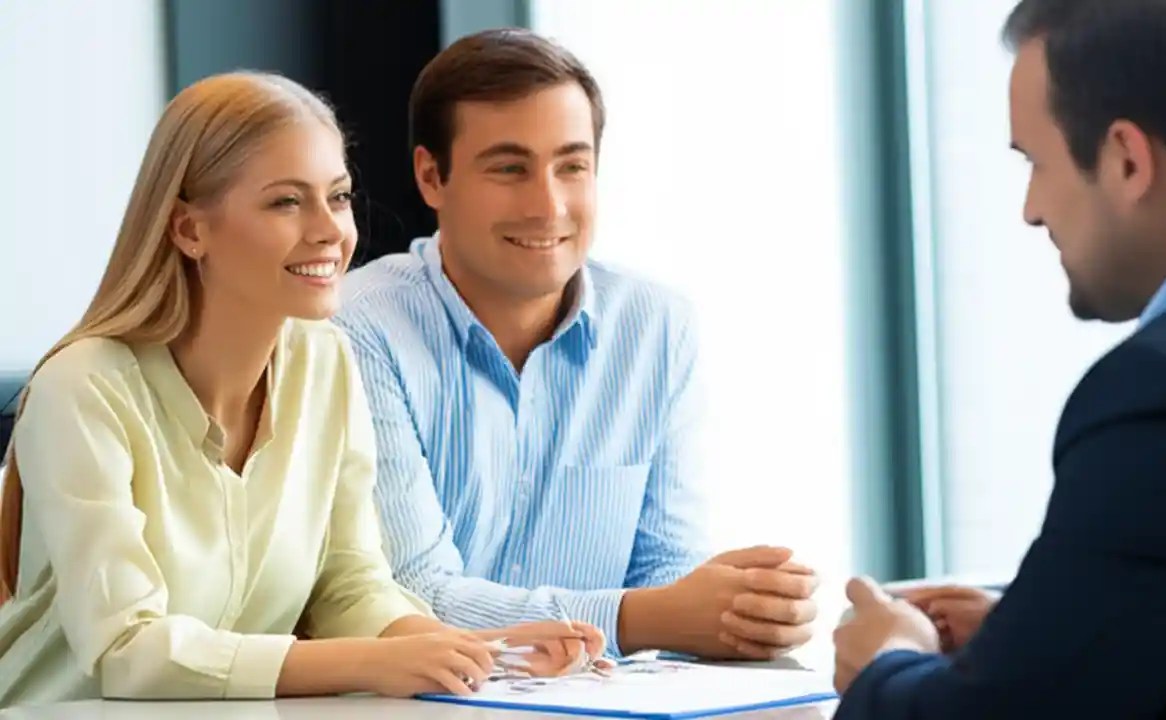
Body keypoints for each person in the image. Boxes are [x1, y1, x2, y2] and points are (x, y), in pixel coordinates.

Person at [0, 71, 601, 708]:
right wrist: (373, 661)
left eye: (337, 197)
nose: (330, 231)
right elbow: (127, 653)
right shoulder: (82, 388)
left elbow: (351, 584)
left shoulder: (326, 360)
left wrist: (468, 652)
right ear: (188, 230)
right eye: (286, 202)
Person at [832, 0, 1166, 717]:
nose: (1030, 210)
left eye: (1035, 163)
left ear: (1127, 159)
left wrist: (886, 663)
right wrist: (1040, 629)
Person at [334, 27, 818, 661]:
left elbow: (668, 577)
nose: (549, 205)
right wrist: (643, 616)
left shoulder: (656, 328)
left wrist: (744, 609)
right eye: (509, 168)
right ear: (432, 177)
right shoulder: (356, 328)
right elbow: (411, 596)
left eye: (572, 166)